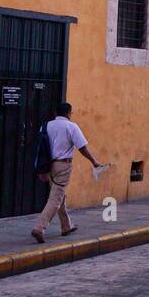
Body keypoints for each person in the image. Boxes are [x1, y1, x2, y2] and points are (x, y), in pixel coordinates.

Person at [32, 102, 109, 244]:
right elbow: (82, 147)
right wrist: (94, 161)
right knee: (55, 198)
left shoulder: (47, 125)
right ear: (69, 113)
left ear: (56, 113)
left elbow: (40, 148)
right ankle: (39, 228)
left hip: (49, 165)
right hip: (63, 165)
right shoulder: (71, 126)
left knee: (59, 195)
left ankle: (66, 226)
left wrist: (41, 170)